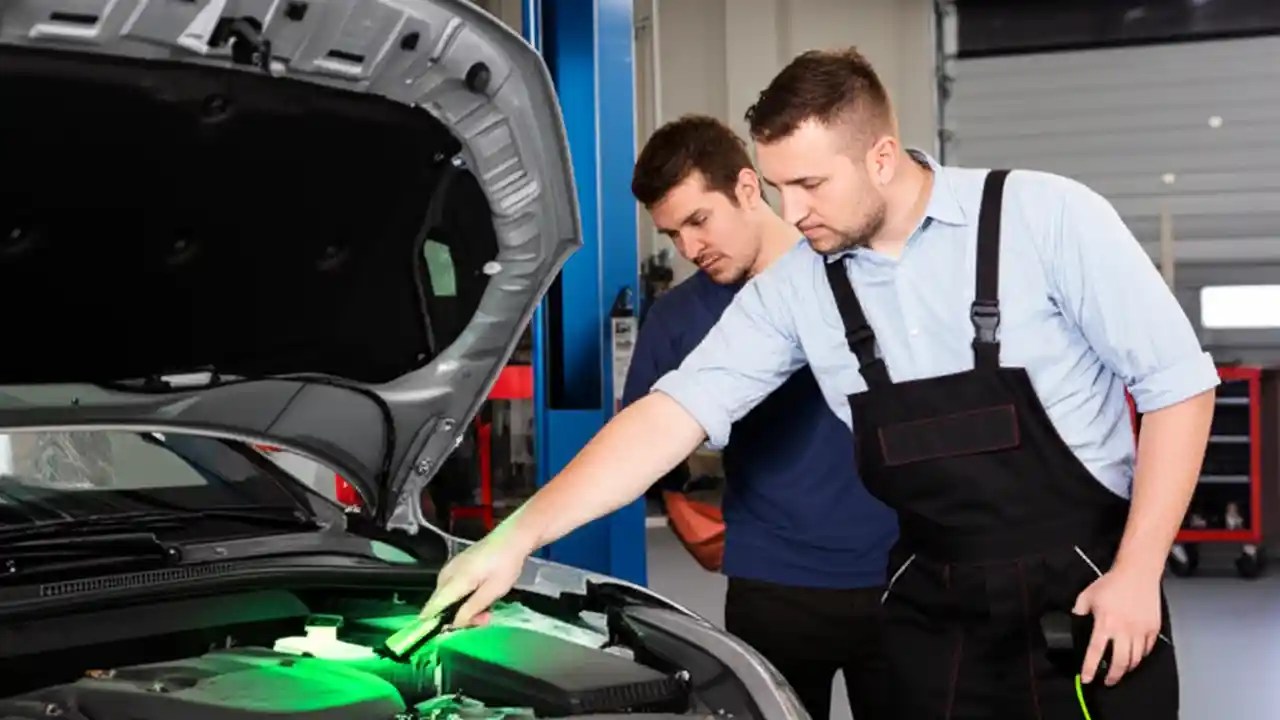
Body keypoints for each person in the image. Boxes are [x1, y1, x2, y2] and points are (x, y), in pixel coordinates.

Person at [421, 47, 1217, 719]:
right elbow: (673, 414)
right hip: (927, 613)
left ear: (881, 154)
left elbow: (1177, 385)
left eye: (810, 185)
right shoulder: (800, 287)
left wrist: (1139, 570)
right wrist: (515, 536)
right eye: (777, 188)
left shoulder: (1044, 219)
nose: (791, 211)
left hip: (1083, 596)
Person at [622, 114, 897, 720]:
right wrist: (687, 508)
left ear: (748, 188)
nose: (691, 249)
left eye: (699, 220)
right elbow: (646, 448)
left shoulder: (859, 274)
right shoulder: (675, 319)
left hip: (899, 576)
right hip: (772, 586)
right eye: (672, 235)